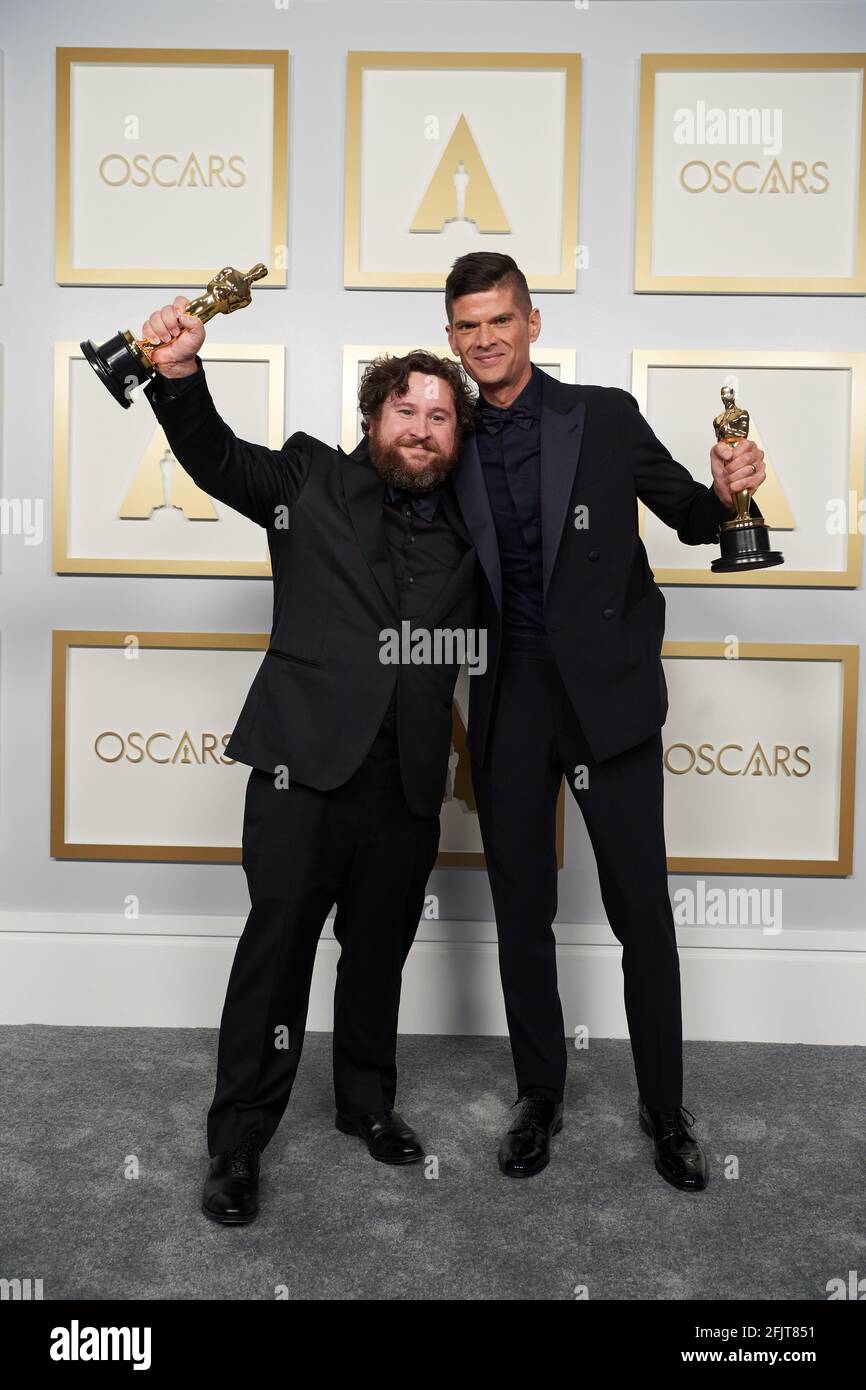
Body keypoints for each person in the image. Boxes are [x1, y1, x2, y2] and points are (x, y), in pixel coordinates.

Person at [140, 298, 480, 1223]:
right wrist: (177, 376)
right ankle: (239, 1142)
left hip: (407, 775)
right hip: (300, 766)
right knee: (277, 952)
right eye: (403, 410)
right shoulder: (307, 479)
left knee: (379, 952)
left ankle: (366, 1104)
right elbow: (215, 457)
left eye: (440, 414)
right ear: (373, 420)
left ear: (458, 434)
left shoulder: (479, 529)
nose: (420, 427)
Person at [443, 252, 767, 1189]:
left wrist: (725, 488)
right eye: (467, 326)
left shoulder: (606, 415)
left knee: (641, 913)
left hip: (610, 701)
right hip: (507, 699)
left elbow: (694, 520)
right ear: (453, 338)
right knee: (521, 911)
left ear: (533, 323)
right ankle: (538, 1094)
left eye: (500, 319)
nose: (486, 339)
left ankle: (665, 1110)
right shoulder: (441, 430)